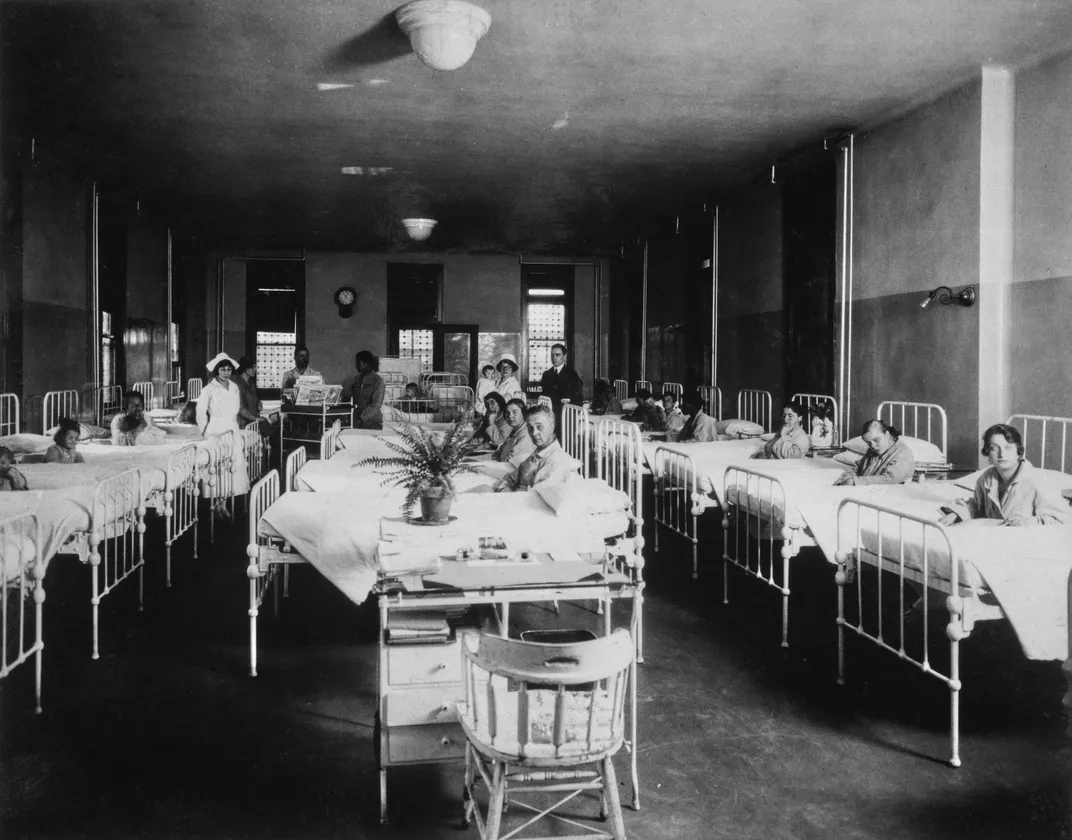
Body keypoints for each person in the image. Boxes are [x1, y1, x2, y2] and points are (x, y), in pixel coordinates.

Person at [939, 423, 1068, 526]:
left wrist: (1027, 523)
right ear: (988, 454)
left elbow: (1061, 520)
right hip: (996, 541)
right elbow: (976, 506)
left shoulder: (1036, 481)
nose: (1002, 454)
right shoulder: (986, 479)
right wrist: (957, 514)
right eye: (994, 448)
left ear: (1018, 451)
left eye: (1008, 447)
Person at [197, 352, 250, 505]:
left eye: (228, 369)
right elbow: (200, 412)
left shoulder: (234, 387)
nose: (226, 373)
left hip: (232, 428)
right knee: (218, 468)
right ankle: (217, 505)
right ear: (216, 371)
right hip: (216, 429)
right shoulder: (208, 389)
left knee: (232, 467)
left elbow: (236, 408)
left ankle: (226, 502)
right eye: (222, 370)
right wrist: (204, 432)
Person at [495, 404, 577, 492]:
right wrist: (505, 490)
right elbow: (510, 478)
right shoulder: (536, 455)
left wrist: (506, 496)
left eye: (539, 427)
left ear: (551, 427)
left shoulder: (555, 461)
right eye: (530, 428)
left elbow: (537, 498)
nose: (534, 433)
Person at [834, 420, 915, 486]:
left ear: (887, 434)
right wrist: (847, 476)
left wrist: (855, 481)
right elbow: (859, 468)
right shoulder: (874, 450)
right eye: (868, 443)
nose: (873, 445)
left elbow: (890, 479)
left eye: (876, 440)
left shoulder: (902, 453)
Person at [538, 343, 584, 423]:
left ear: (565, 357)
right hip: (548, 416)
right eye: (552, 355)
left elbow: (578, 400)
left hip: (565, 417)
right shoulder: (546, 374)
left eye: (557, 355)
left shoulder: (572, 375)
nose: (554, 358)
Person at [343, 350, 386, 430]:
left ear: (366, 364)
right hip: (356, 419)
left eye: (359, 363)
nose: (356, 366)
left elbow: (375, 405)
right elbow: (351, 397)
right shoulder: (356, 379)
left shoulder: (378, 381)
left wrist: (361, 418)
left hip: (372, 421)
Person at [495, 398, 535, 467]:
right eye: (507, 413)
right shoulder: (515, 430)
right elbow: (501, 450)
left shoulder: (525, 436)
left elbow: (510, 464)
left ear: (523, 413)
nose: (510, 416)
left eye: (514, 412)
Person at [234, 356, 262, 429]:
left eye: (255, 367)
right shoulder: (237, 384)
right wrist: (255, 418)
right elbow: (240, 408)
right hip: (242, 423)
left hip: (251, 421)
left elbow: (253, 400)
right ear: (245, 368)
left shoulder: (251, 383)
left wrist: (258, 403)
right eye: (252, 367)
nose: (255, 369)